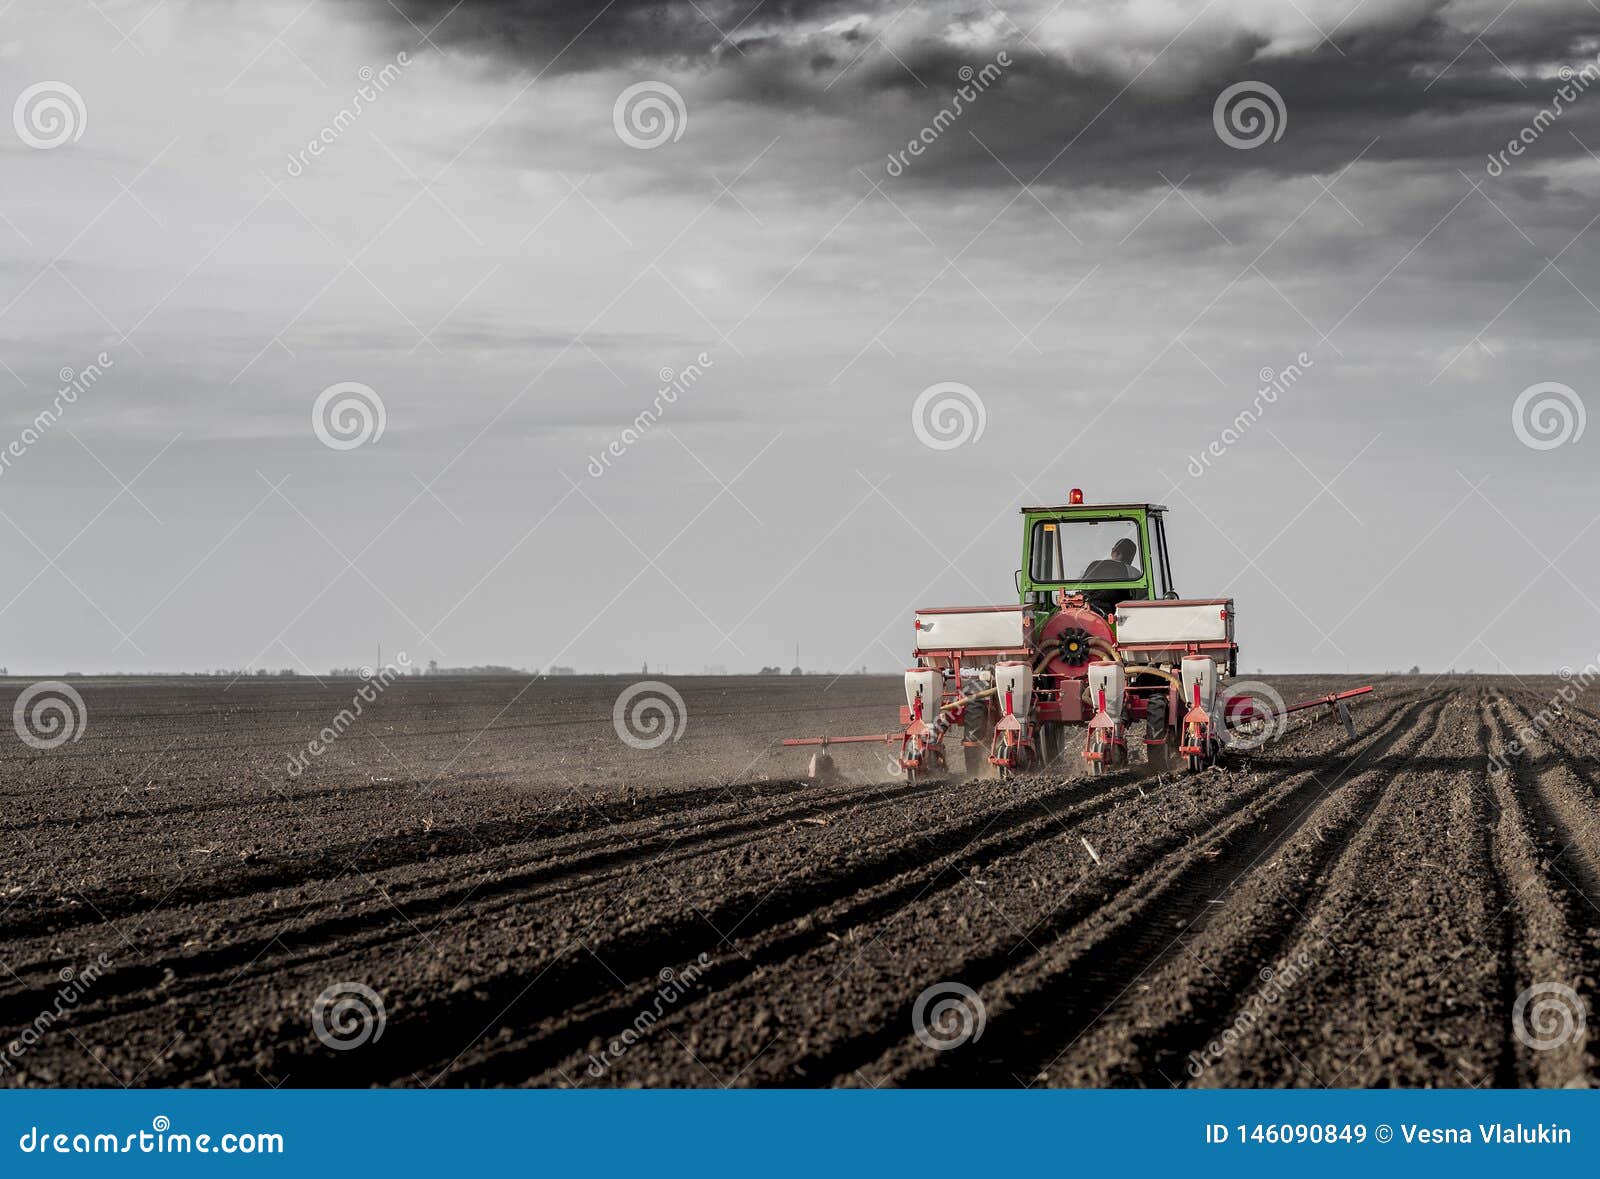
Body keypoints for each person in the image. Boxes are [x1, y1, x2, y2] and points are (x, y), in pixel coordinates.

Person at [1080, 538, 1143, 614]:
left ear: (1114, 552)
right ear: (1131, 557)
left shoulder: (1092, 566)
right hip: (1119, 615)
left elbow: (1079, 586)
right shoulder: (1134, 572)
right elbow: (1142, 597)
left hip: (1089, 612)